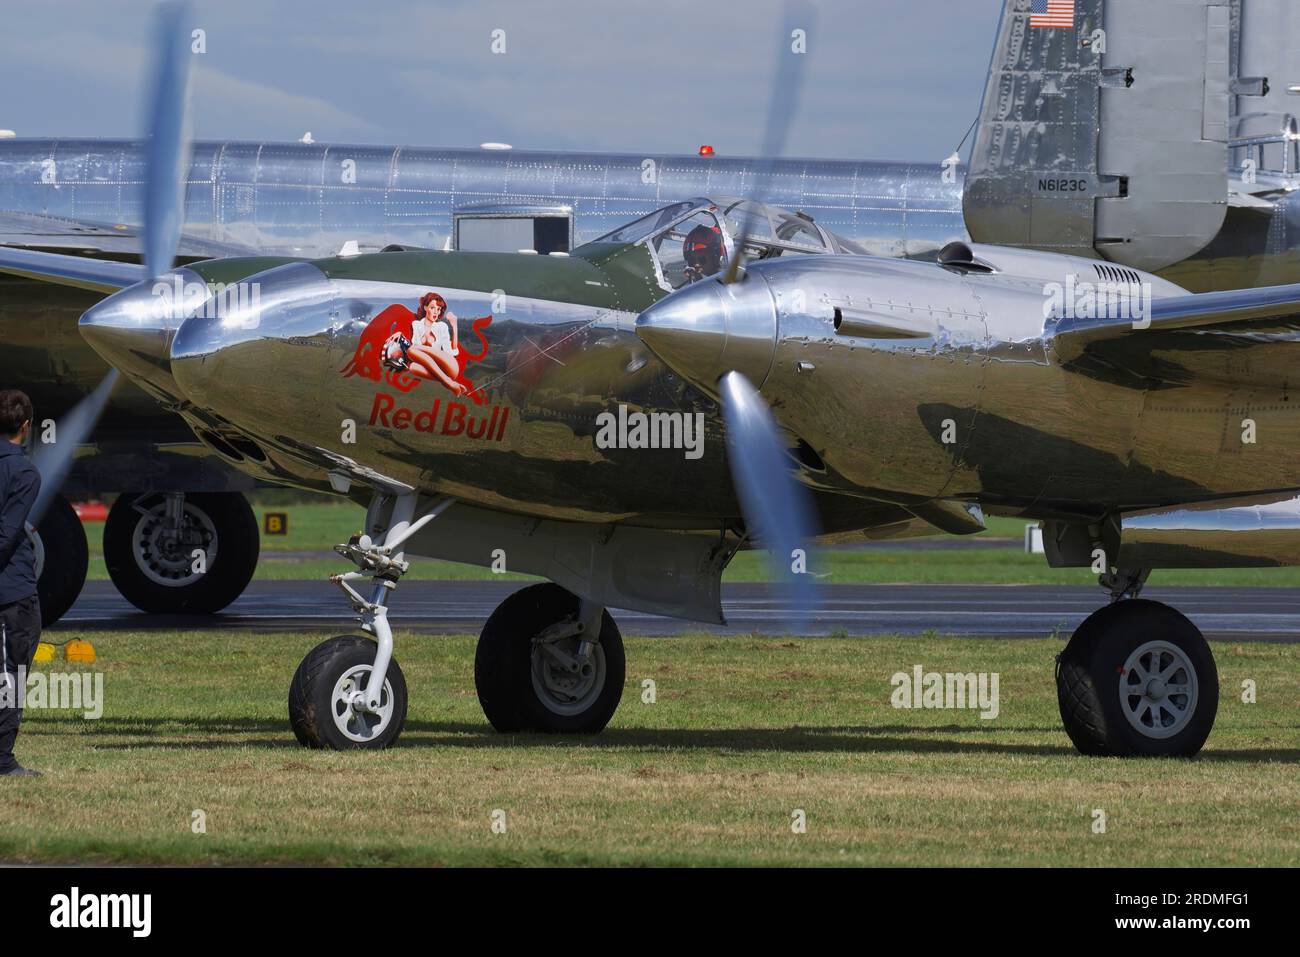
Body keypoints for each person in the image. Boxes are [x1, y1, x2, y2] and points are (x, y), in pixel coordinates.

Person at [0, 390, 41, 777]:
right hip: (12, 591)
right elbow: (8, 533)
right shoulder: (25, 472)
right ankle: (3, 759)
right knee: (13, 674)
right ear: (26, 426)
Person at [381, 292, 468, 396]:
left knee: (412, 349)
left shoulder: (442, 326)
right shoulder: (417, 325)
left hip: (449, 365)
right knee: (413, 366)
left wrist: (454, 326)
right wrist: (401, 335)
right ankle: (449, 382)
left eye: (439, 309)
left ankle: (449, 383)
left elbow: (452, 351)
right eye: (433, 308)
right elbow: (415, 354)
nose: (436, 312)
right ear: (426, 307)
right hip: (439, 373)